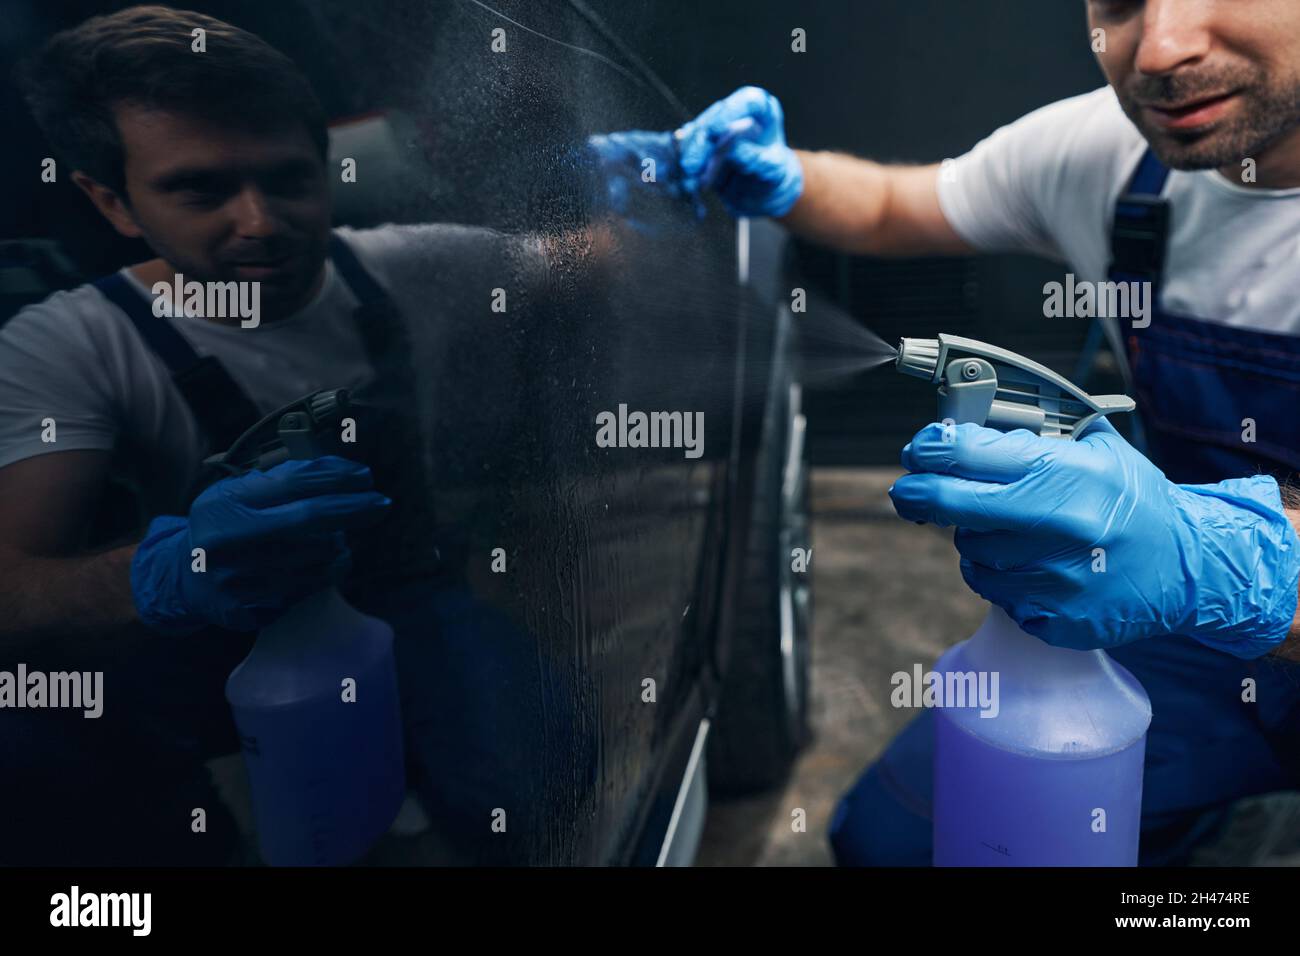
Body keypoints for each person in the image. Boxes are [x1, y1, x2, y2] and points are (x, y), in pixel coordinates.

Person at [594, 0, 1300, 863]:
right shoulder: (1108, 154)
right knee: (905, 841)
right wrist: (777, 174)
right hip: (1196, 634)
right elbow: (897, 205)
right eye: (1120, 3)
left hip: (1220, 591)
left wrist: (1237, 561)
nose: (1158, 48)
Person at [0, 4, 553, 864]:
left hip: (410, 607)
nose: (259, 222)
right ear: (111, 200)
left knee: (541, 779)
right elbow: (12, 591)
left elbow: (583, 258)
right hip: (202, 650)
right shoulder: (72, 343)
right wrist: (167, 574)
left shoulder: (406, 267)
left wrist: (655, 178)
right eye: (201, 189)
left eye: (288, 180)